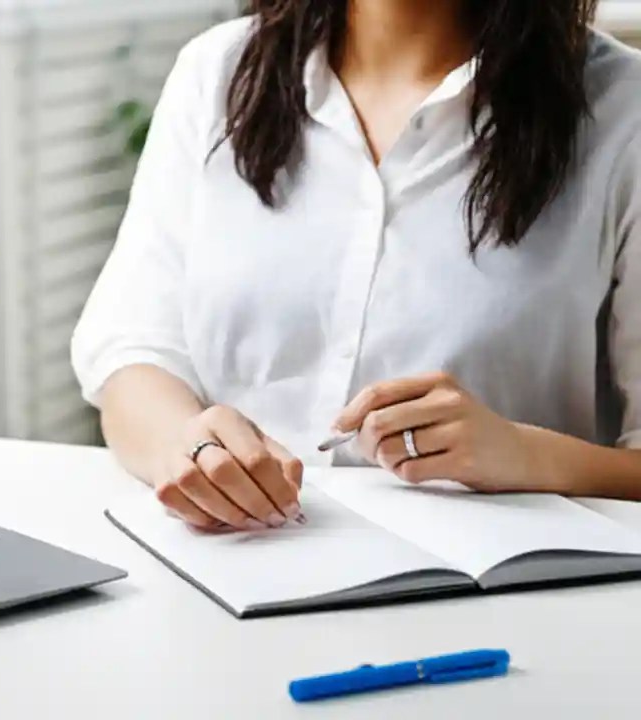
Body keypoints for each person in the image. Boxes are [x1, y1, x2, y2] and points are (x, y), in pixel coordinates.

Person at [71, 0, 641, 532]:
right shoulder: (216, 73)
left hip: (497, 599)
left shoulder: (623, 113)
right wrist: (186, 447)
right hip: (234, 571)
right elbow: (134, 351)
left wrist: (526, 455)